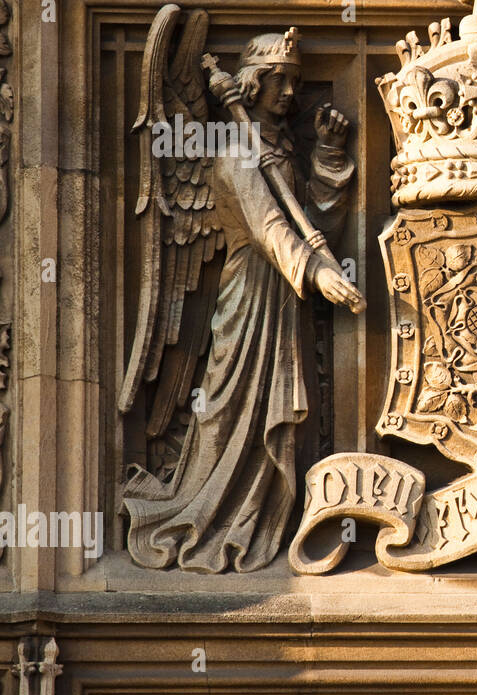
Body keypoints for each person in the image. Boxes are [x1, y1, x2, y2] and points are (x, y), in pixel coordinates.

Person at [123, 28, 362, 573]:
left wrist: (325, 156)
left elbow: (316, 223)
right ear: (252, 84)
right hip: (251, 293)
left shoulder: (275, 152)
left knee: (275, 412)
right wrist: (319, 274)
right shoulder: (235, 153)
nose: (290, 94)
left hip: (285, 297)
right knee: (233, 407)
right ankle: (208, 516)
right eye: (280, 80)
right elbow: (270, 228)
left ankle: (258, 516)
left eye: (296, 82)